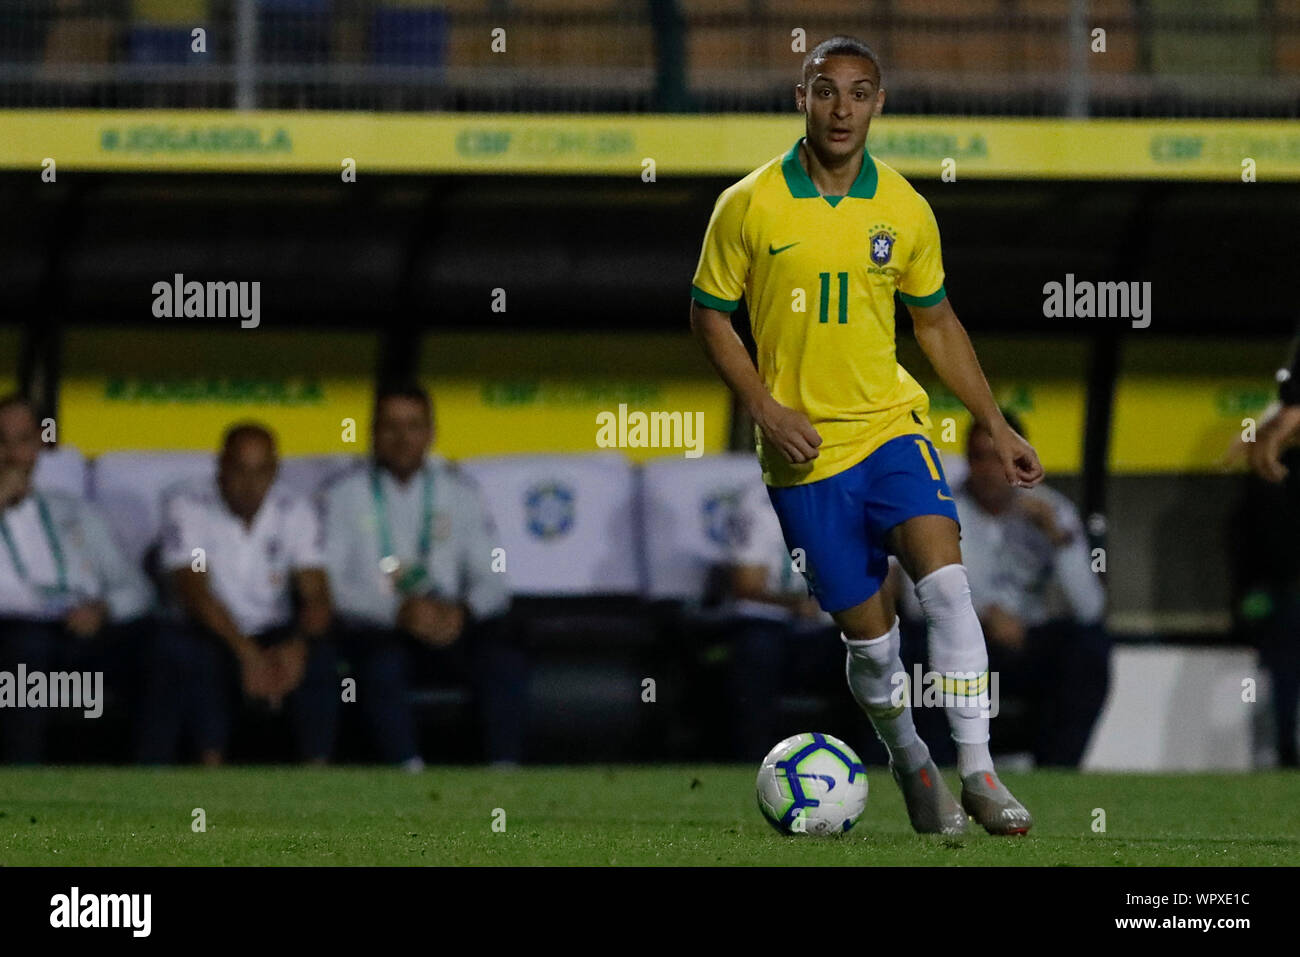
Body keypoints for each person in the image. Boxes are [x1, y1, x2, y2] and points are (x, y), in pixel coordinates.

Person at [689, 35, 1041, 834]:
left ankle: (979, 771)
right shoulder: (748, 203)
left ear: (879, 103)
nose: (841, 108)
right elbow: (709, 315)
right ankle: (911, 758)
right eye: (826, 91)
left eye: (859, 92)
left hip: (891, 428)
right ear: (800, 97)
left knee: (947, 586)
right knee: (873, 643)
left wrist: (994, 423)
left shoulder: (907, 208)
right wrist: (767, 411)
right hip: (802, 456)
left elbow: (937, 320)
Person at [319, 382, 525, 769]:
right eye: (391, 427)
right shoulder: (343, 495)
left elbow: (494, 577)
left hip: (452, 625)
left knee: (504, 660)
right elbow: (330, 584)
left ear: (431, 433)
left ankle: (504, 770)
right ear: (373, 433)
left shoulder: (461, 491)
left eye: (413, 426)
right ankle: (406, 771)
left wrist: (462, 612)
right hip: (380, 628)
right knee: (380, 665)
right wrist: (395, 611)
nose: (402, 438)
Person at [136, 422, 335, 765]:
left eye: (260, 472)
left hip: (274, 628)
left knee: (322, 658)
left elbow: (316, 592)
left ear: (274, 472)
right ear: (221, 468)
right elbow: (195, 590)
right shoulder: (189, 506)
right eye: (239, 470)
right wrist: (246, 653)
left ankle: (316, 769)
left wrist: (298, 648)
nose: (249, 484)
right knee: (189, 653)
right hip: (209, 628)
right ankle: (209, 766)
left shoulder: (294, 510)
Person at [0, 394, 154, 762]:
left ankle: (155, 782)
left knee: (163, 643)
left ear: (39, 445)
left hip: (79, 630)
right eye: (1, 442)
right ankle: (23, 783)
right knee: (27, 649)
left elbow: (136, 588)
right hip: (13, 635)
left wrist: (103, 609)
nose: (11, 455)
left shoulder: (74, 510)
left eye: (22, 441)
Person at [950, 413, 1108, 767]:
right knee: (915, 646)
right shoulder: (944, 508)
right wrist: (985, 614)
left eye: (999, 457)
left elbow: (1089, 609)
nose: (989, 469)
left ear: (1018, 459)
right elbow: (916, 594)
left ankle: (1057, 776)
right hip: (961, 641)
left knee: (1089, 647)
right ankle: (936, 775)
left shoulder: (1052, 510)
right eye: (978, 457)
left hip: (1026, 642)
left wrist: (1057, 539)